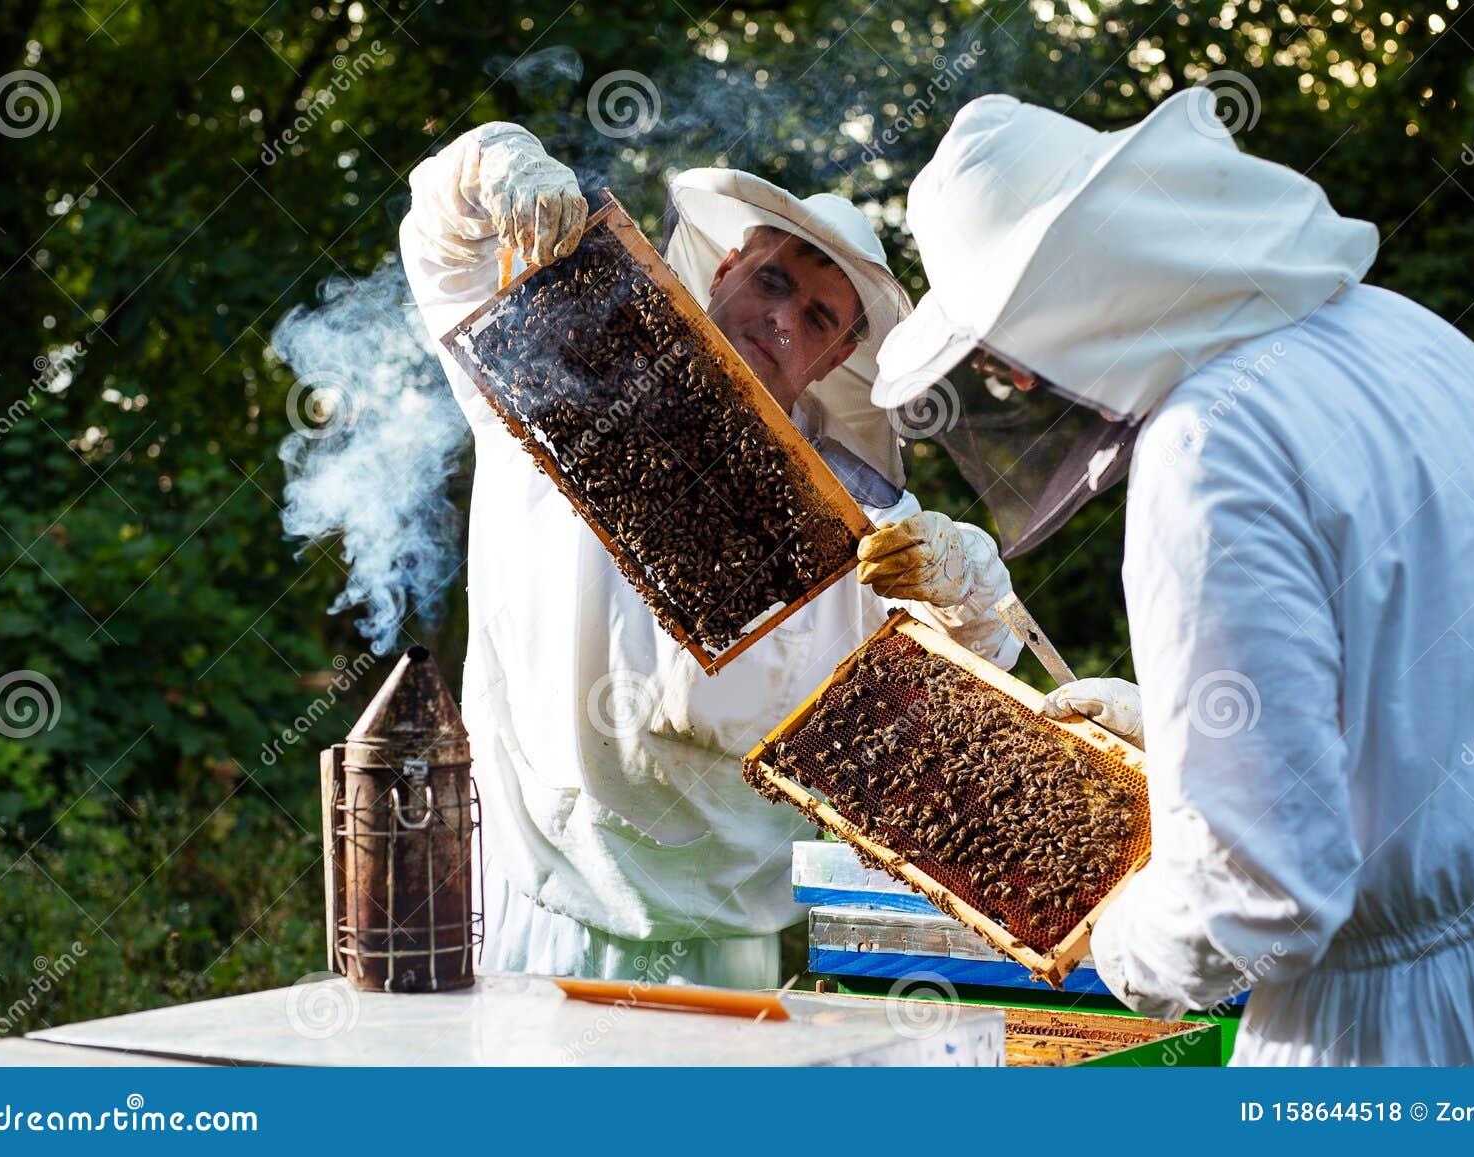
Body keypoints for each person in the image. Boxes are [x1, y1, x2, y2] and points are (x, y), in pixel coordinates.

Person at [860, 90, 1474, 1064]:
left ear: (1067, 300)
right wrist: (1185, 740)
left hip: (1390, 1032)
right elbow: (1422, 701)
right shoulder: (1412, 336)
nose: (1017, 382)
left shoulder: (1208, 447)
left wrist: (1111, 934)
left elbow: (1262, 897)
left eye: (1003, 354)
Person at [400, 122, 1019, 990]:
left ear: (839, 354)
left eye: (818, 316)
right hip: (533, 912)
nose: (782, 318)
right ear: (726, 269)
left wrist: (968, 582)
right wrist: (493, 162)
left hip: (724, 948)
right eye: (773, 280)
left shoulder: (864, 521)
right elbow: (443, 248)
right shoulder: (574, 365)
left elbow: (969, 681)